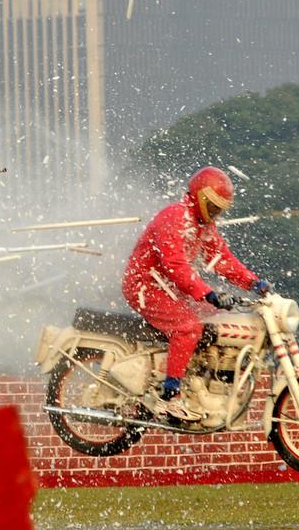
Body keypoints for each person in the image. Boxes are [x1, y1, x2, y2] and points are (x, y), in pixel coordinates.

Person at [122, 166, 270, 418]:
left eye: (220, 210)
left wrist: (253, 283)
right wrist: (206, 292)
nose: (216, 214)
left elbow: (221, 259)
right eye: (213, 207)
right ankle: (170, 395)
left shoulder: (204, 226)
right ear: (200, 197)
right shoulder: (174, 216)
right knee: (188, 327)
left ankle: (194, 374)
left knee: (215, 319)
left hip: (170, 288)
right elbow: (174, 264)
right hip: (145, 285)